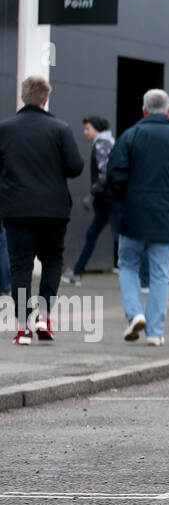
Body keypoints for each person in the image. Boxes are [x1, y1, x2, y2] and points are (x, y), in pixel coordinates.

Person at [105, 88, 169, 347]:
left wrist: (122, 198)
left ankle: (135, 313)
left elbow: (114, 173)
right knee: (161, 273)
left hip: (133, 214)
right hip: (166, 215)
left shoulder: (130, 136)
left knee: (128, 266)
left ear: (144, 110)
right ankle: (155, 332)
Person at [0, 75, 85, 344]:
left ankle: (23, 327)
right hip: (53, 211)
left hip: (17, 210)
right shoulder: (60, 129)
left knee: (20, 267)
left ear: (23, 97)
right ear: (46, 99)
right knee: (51, 261)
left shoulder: (5, 129)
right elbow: (75, 167)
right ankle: (45, 317)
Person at [68, 115, 119, 284]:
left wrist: (92, 193)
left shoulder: (102, 144)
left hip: (109, 200)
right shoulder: (109, 142)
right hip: (107, 201)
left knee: (120, 238)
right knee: (94, 234)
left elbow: (104, 172)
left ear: (96, 128)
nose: (85, 132)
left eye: (88, 128)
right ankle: (77, 272)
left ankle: (142, 277)